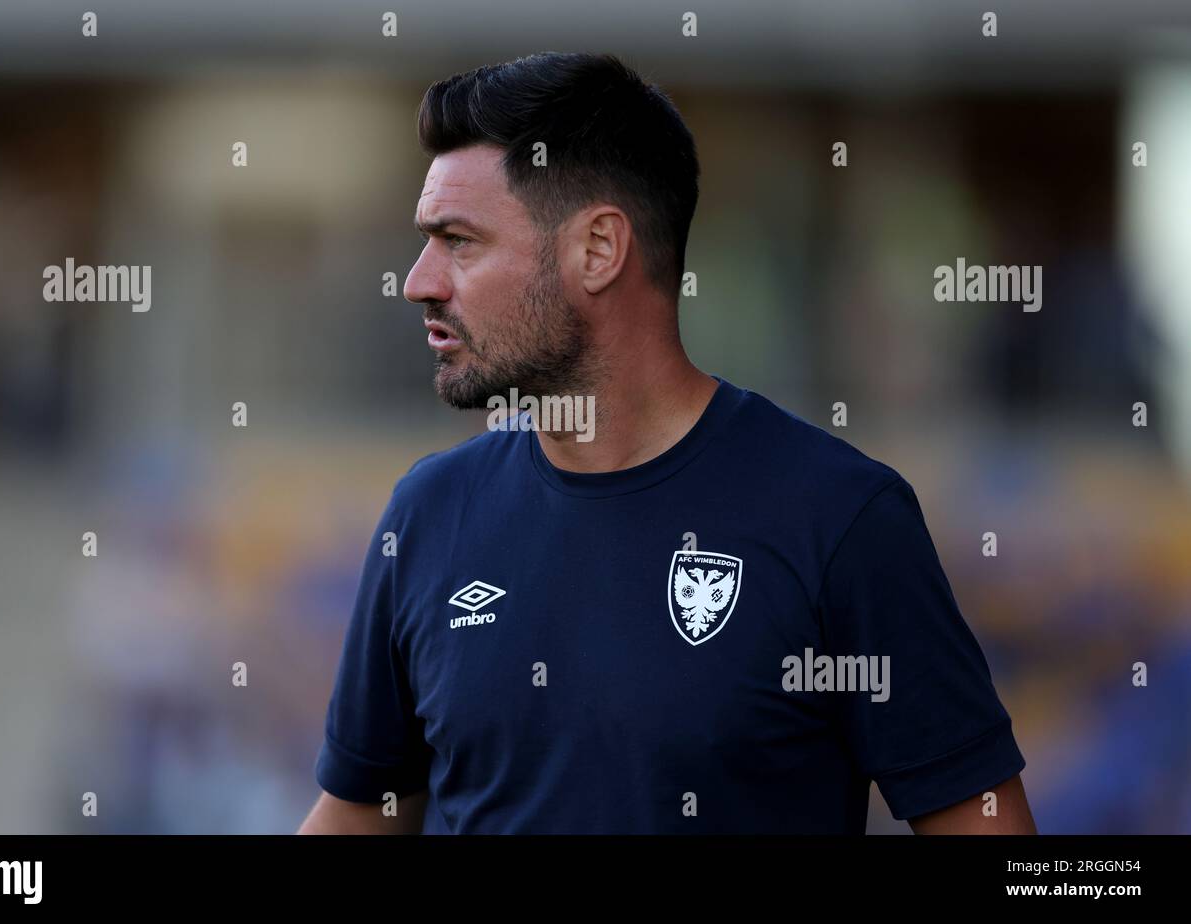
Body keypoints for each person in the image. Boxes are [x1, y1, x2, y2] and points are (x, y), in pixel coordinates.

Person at [298, 52, 1034, 834]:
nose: (419, 281)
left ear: (598, 250)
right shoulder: (428, 517)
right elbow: (356, 815)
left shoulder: (839, 518)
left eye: (459, 241)